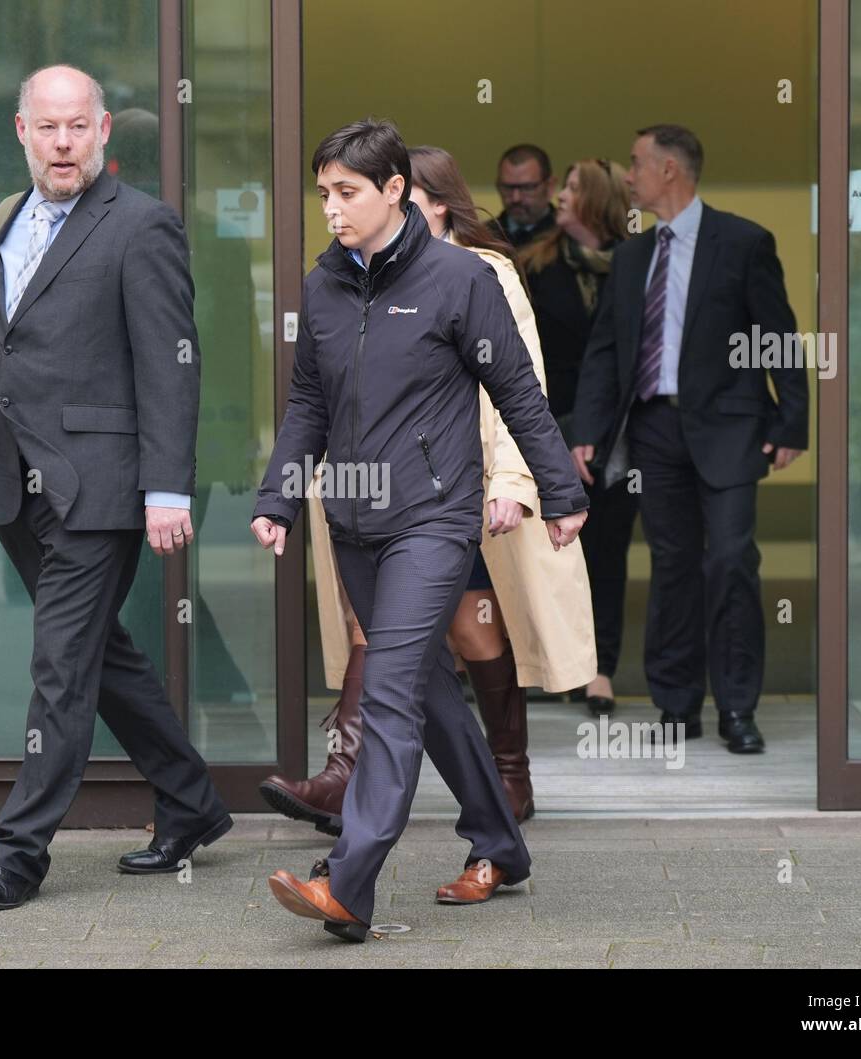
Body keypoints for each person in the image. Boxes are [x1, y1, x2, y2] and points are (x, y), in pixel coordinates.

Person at [251, 120, 588, 942]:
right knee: (431, 691)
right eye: (324, 192)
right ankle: (501, 843)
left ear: (396, 190)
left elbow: (516, 389)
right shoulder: (324, 285)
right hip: (354, 523)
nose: (330, 208)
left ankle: (348, 883)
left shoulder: (457, 279)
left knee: (393, 694)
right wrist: (280, 497)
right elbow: (307, 406)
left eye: (347, 192)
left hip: (435, 522)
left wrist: (558, 488)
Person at [0, 64, 231, 911]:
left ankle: (19, 852)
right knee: (97, 654)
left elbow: (169, 367)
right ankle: (191, 800)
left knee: (60, 667)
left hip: (101, 490)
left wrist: (167, 491)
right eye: (49, 127)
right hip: (19, 484)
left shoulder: (142, 226)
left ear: (105, 131)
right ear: (23, 132)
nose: (64, 142)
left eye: (79, 126)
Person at [570, 124, 809, 753]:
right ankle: (677, 706)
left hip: (731, 427)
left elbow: (778, 338)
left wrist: (791, 422)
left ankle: (737, 709)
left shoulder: (743, 242)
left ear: (669, 170)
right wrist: (588, 432)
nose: (628, 175)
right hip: (653, 430)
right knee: (672, 565)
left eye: (636, 162)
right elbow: (604, 354)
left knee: (730, 561)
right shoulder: (630, 256)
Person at [519, 158, 637, 715]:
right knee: (551, 550)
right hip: (548, 424)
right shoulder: (538, 265)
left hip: (622, 434)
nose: (558, 196)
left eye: (569, 188)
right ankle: (552, 663)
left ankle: (598, 670)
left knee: (607, 551)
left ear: (596, 200)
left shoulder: (638, 265)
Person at [486, 144, 558, 247]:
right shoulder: (484, 238)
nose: (516, 198)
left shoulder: (569, 238)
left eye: (527, 188)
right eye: (507, 187)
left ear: (550, 186)